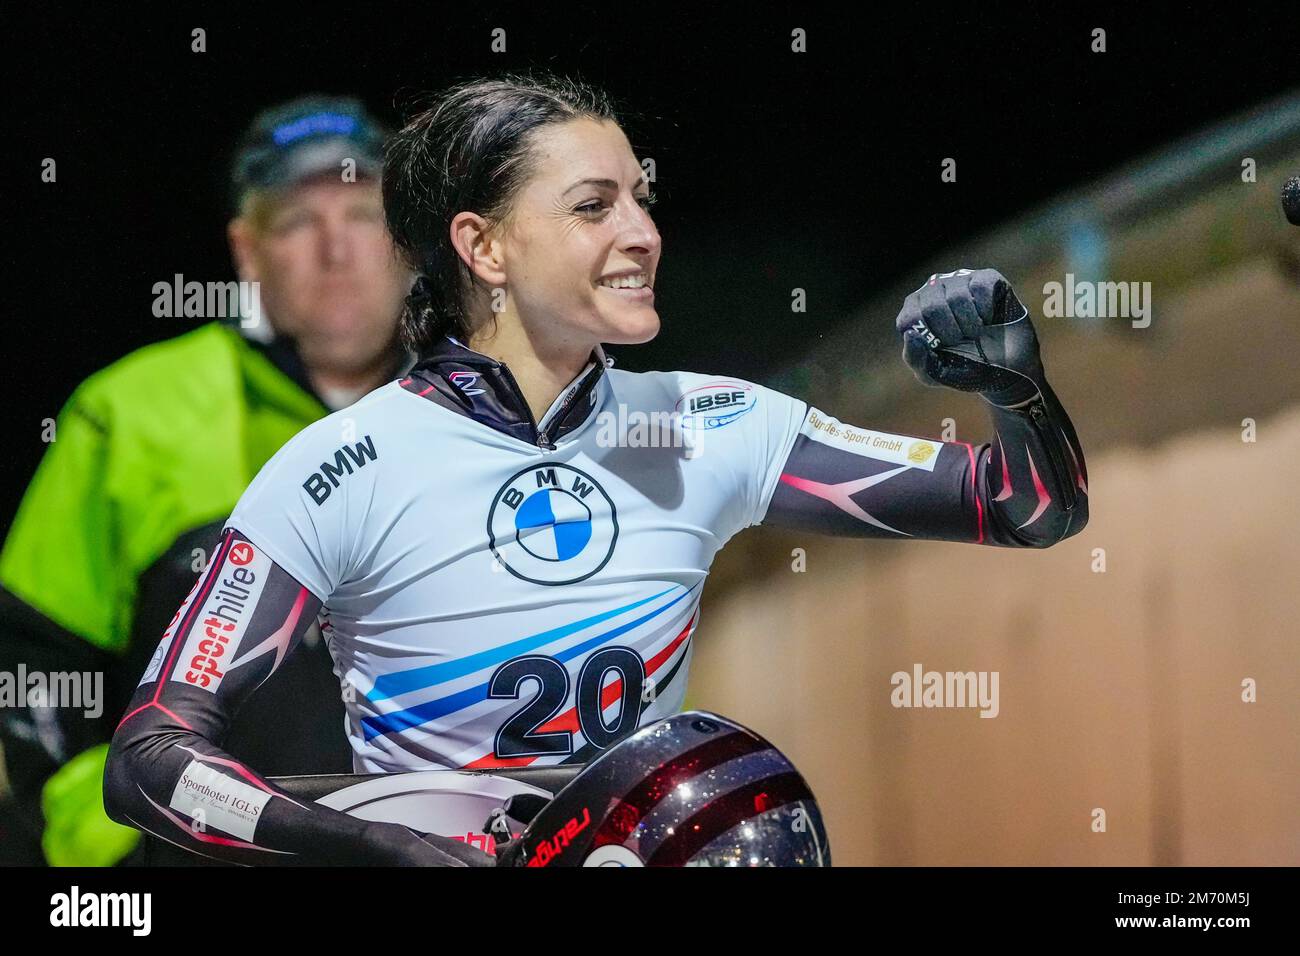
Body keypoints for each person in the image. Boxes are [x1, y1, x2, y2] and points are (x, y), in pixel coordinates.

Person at [104, 71, 1089, 867]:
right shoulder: (342, 464)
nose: (643, 232)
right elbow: (148, 757)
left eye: (640, 199)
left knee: (752, 807)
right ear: (481, 246)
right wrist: (358, 840)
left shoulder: (712, 424)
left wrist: (1017, 390)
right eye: (593, 206)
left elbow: (1029, 506)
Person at [0, 95, 411, 865]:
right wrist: (132, 856)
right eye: (295, 222)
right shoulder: (128, 412)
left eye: (363, 214)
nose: (336, 249)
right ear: (247, 253)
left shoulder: (486, 408)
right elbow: (33, 670)